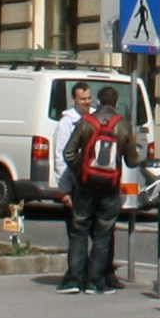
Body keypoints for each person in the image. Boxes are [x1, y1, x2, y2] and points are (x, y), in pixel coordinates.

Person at [57, 84, 119, 294]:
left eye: (88, 98)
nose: (86, 102)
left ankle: (82, 279)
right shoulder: (69, 122)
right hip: (96, 185)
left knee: (84, 231)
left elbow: (68, 153)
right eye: (82, 99)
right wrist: (66, 189)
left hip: (87, 184)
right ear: (74, 100)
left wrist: (84, 171)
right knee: (95, 232)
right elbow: (60, 157)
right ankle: (90, 279)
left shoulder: (89, 121)